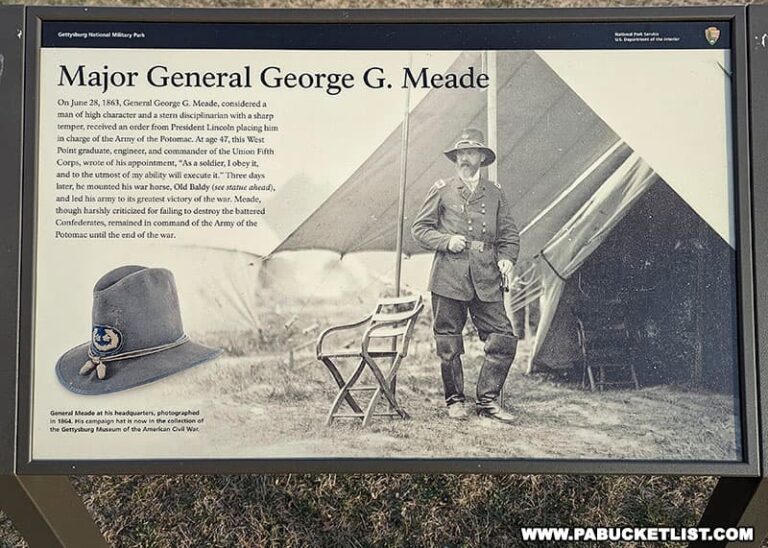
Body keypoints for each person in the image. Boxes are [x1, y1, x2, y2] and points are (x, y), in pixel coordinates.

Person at [411, 128, 520, 423]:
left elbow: (509, 234)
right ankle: (455, 401)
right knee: (448, 342)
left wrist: (507, 259)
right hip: (449, 276)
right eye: (460, 153)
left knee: (503, 338)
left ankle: (487, 401)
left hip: (486, 276)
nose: (464, 158)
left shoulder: (495, 193)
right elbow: (419, 229)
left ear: (482, 157)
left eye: (470, 152)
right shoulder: (442, 189)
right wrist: (446, 241)